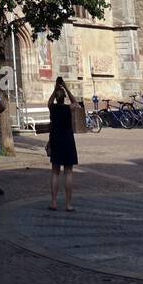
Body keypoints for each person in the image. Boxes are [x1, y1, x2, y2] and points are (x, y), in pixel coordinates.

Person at [47, 76, 81, 211]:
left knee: (55, 172)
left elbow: (49, 101)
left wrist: (55, 89)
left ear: (56, 98)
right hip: (67, 140)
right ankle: (68, 204)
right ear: (64, 98)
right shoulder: (68, 108)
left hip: (55, 139)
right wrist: (66, 88)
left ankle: (54, 202)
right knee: (68, 172)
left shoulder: (52, 108)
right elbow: (76, 102)